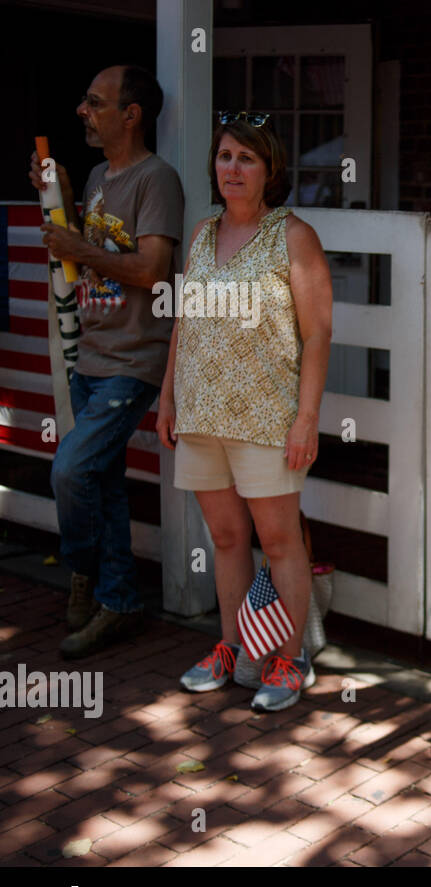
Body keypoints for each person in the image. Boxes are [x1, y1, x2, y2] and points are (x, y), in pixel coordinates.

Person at [163, 114, 333, 712]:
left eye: (246, 159)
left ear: (270, 171)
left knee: (280, 540)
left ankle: (290, 659)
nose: (231, 168)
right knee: (228, 537)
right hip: (202, 412)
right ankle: (232, 647)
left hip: (266, 417)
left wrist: (306, 417)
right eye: (225, 156)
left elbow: (317, 335)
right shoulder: (204, 232)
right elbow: (185, 320)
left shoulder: (293, 235)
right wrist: (168, 398)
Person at [28, 65, 184, 659]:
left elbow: (149, 270)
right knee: (104, 483)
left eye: (95, 102)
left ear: (131, 114)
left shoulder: (157, 179)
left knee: (70, 471)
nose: (82, 111)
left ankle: (83, 573)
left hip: (134, 357)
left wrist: (78, 245)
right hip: (91, 349)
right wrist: (61, 199)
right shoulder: (96, 175)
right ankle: (119, 600)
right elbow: (87, 252)